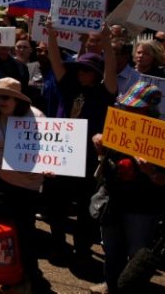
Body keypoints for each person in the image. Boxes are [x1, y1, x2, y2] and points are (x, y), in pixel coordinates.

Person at [44, 19, 117, 263]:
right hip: (61, 154)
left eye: (86, 71)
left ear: (95, 75)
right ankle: (56, 243)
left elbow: (110, 74)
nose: (81, 73)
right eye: (79, 69)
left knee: (85, 208)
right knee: (55, 203)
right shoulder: (68, 87)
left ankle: (82, 250)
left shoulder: (103, 93)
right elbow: (55, 61)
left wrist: (106, 42)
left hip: (86, 158)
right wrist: (51, 35)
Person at [90, 82, 165, 294]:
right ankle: (111, 283)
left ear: (150, 111)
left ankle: (131, 289)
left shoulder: (162, 138)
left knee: (137, 252)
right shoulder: (118, 126)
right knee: (112, 247)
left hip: (143, 207)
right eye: (127, 107)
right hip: (114, 200)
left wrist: (151, 172)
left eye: (136, 108)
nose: (129, 111)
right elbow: (107, 165)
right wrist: (100, 148)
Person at [0, 78, 49, 288]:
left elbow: (50, 151)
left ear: (17, 99)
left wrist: (53, 168)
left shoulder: (37, 117)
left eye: (5, 97)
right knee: (0, 229)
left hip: (28, 185)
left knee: (25, 230)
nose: (0, 101)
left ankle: (31, 272)